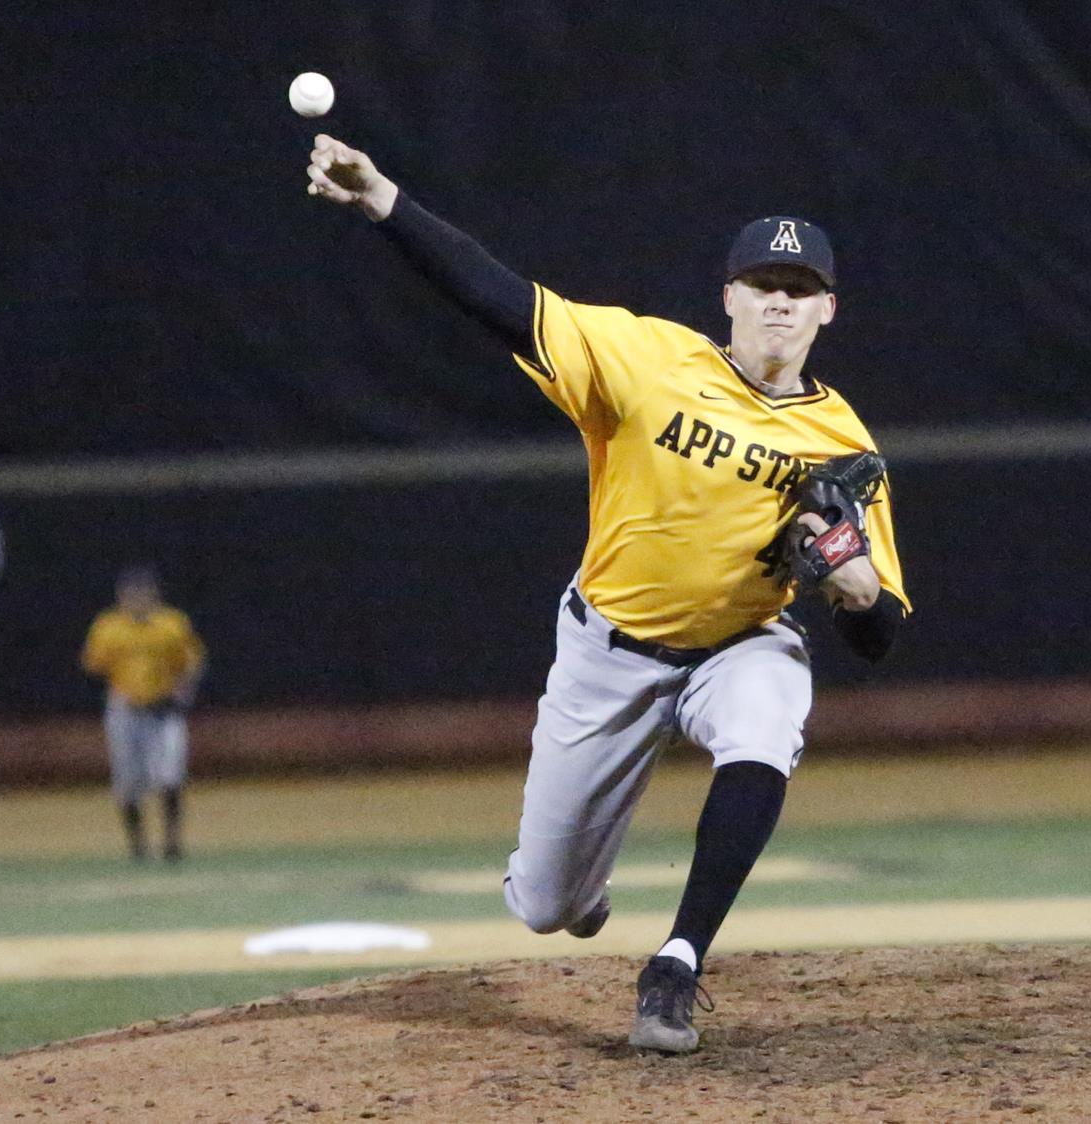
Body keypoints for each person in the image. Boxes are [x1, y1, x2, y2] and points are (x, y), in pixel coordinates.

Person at [305, 135, 910, 1053]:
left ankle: (677, 962)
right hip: (606, 652)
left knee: (768, 721)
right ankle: (579, 891)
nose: (778, 303)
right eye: (762, 284)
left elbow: (880, 635)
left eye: (798, 290)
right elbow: (503, 303)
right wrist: (386, 201)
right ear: (729, 297)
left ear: (827, 308)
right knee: (545, 908)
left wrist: (857, 587)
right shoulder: (646, 359)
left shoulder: (845, 443)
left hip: (740, 643)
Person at [79, 565, 206, 862]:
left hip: (163, 711)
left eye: (143, 594)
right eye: (131, 595)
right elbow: (92, 665)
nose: (137, 600)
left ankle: (172, 843)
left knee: (170, 775)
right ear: (120, 598)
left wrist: (183, 690)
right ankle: (138, 846)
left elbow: (192, 661)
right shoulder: (108, 627)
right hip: (125, 711)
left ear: (155, 595)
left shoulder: (171, 624)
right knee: (127, 783)